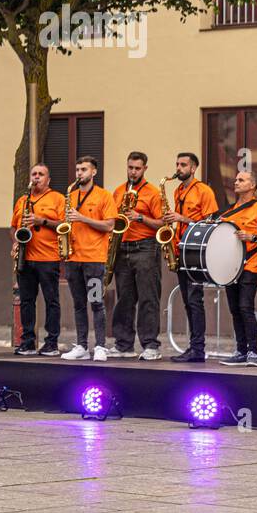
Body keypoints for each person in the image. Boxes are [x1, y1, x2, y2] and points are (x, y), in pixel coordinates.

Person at [162, 153, 220, 363]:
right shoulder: (178, 190)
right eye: (177, 164)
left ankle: (198, 349)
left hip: (196, 253)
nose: (179, 168)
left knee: (195, 301)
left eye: (183, 165)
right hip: (181, 250)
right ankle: (193, 347)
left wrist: (182, 218)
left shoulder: (204, 190)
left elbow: (210, 222)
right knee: (188, 301)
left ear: (193, 168)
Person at [58, 157, 117, 361]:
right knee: (79, 304)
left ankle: (100, 346)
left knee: (96, 302)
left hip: (94, 259)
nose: (79, 173)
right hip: (73, 258)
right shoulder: (71, 196)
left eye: (83, 169)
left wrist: (82, 218)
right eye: (77, 169)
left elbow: (109, 225)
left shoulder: (104, 196)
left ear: (94, 172)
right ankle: (82, 346)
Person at [218, 171, 257, 367]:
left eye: (241, 180)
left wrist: (252, 237)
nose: (236, 182)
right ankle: (240, 350)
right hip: (230, 265)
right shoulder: (229, 210)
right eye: (236, 179)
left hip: (250, 263)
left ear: (252, 185)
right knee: (235, 309)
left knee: (245, 307)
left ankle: (253, 352)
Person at [110, 152, 164, 359]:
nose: (133, 172)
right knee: (124, 298)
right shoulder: (118, 191)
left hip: (146, 247)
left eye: (137, 168)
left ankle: (151, 345)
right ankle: (123, 345)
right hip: (122, 247)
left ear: (145, 169)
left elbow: (162, 223)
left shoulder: (152, 193)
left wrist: (140, 217)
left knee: (148, 297)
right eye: (130, 167)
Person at [11, 163, 67, 356]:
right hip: (25, 258)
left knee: (51, 301)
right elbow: (13, 227)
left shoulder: (57, 198)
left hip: (48, 257)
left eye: (40, 174)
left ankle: (51, 342)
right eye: (34, 174)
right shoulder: (22, 200)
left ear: (48, 179)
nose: (36, 177)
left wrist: (41, 221)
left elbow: (64, 225)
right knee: (26, 300)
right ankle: (27, 341)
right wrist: (15, 243)